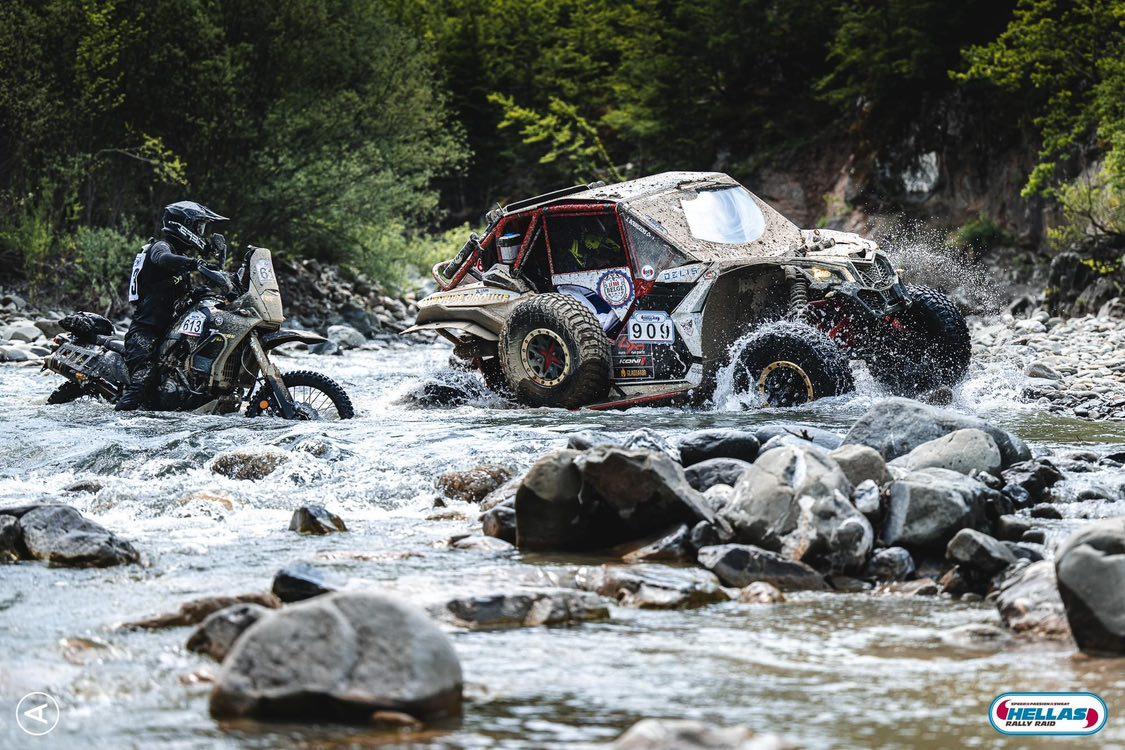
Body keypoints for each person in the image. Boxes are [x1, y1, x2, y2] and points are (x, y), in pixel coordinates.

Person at [116, 201, 230, 411]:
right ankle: (116, 421)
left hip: (168, 334)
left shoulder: (180, 263)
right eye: (198, 227)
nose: (201, 233)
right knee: (143, 381)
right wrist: (194, 263)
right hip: (145, 332)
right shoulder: (161, 247)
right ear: (182, 225)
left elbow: (183, 297)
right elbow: (163, 258)